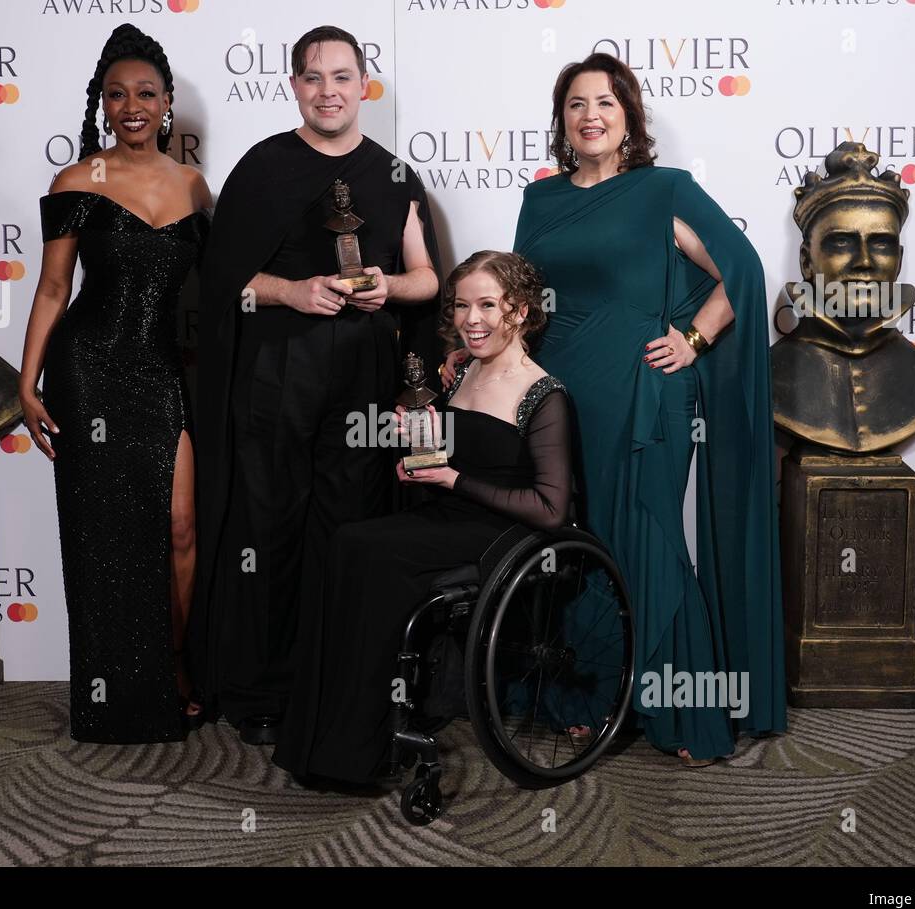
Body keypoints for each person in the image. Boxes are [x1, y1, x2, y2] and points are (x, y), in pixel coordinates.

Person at [511, 53, 786, 766]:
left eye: (605, 101)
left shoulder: (664, 191)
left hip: (644, 393)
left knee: (647, 539)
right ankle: (592, 695)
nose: (590, 114)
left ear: (629, 115)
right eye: (575, 103)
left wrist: (695, 337)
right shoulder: (539, 199)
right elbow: (524, 302)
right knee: (579, 542)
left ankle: (683, 711)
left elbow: (743, 272)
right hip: (560, 397)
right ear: (561, 120)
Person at [192, 25, 446, 745]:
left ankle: (338, 682)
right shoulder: (263, 168)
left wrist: (386, 285)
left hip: (363, 379)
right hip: (275, 375)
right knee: (267, 530)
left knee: (349, 525)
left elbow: (428, 277)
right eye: (313, 77)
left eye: (341, 77)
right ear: (294, 87)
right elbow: (220, 282)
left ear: (363, 85)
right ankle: (262, 690)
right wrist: (290, 292)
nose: (328, 90)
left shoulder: (396, 175)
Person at [274, 250, 571, 784]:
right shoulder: (461, 373)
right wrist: (420, 439)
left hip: (501, 533)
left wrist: (452, 478)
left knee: (370, 552)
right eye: (461, 306)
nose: (470, 320)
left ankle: (359, 746)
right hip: (445, 514)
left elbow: (550, 509)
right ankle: (327, 734)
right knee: (343, 539)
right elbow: (453, 452)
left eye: (487, 305)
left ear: (520, 311)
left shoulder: (542, 394)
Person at [18, 23, 211, 743]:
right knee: (105, 537)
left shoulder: (194, 185)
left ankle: (171, 663)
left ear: (167, 105)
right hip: (88, 370)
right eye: (116, 94)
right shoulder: (75, 181)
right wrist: (26, 383)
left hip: (160, 371)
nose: (131, 106)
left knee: (181, 528)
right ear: (102, 104)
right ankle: (114, 694)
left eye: (146, 93)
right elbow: (51, 289)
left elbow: (217, 290)